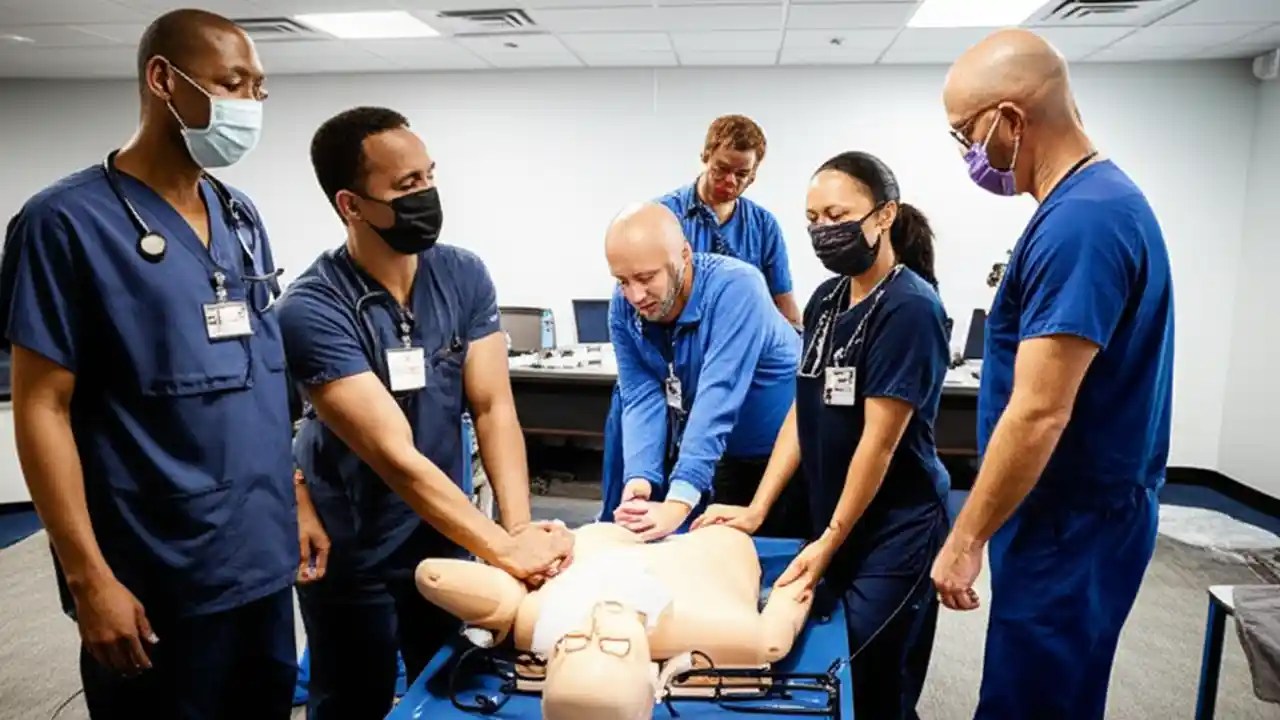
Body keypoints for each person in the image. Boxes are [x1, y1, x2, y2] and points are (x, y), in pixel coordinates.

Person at [0, 9, 298, 718]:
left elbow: (259, 382)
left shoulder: (237, 213)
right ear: (163, 79)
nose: (249, 104)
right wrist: (87, 578)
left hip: (260, 560)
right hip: (157, 572)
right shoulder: (64, 223)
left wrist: (298, 498)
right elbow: (42, 408)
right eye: (232, 83)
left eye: (259, 88)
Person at [276, 106, 574, 720]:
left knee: (451, 682)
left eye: (429, 176)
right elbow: (396, 457)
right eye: (406, 186)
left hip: (445, 532)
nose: (427, 195)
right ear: (350, 204)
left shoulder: (461, 274)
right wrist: (502, 548)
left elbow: (493, 409)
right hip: (351, 541)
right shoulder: (313, 308)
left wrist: (515, 530)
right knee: (352, 693)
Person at [930, 29, 1174, 720]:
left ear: (1009, 119)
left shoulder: (1084, 225)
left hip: (1072, 521)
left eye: (964, 136)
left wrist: (965, 537)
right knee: (1052, 689)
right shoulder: (1086, 205)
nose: (968, 156)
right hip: (1066, 511)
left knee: (1033, 699)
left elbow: (1040, 412)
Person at [696, 151, 952, 719]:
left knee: (871, 670)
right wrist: (758, 507)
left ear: (884, 216)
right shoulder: (827, 299)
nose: (822, 231)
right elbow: (803, 412)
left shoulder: (910, 309)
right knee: (823, 665)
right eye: (812, 218)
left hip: (894, 528)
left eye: (837, 214)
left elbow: (879, 445)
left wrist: (830, 541)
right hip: (834, 515)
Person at [599, 115, 800, 522]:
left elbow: (719, 388)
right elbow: (641, 393)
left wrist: (679, 497)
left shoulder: (741, 279)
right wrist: (640, 478)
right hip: (718, 442)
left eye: (645, 278)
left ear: (684, 256)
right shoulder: (628, 296)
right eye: (622, 280)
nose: (634, 295)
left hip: (780, 450)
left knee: (777, 559)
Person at [414, 521, 815, 720]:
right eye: (612, 647)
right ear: (651, 673)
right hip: (703, 551)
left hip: (599, 541)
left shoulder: (541, 623)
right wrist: (809, 567)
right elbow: (775, 633)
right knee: (726, 537)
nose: (593, 627)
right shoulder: (716, 626)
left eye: (572, 646)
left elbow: (496, 596)